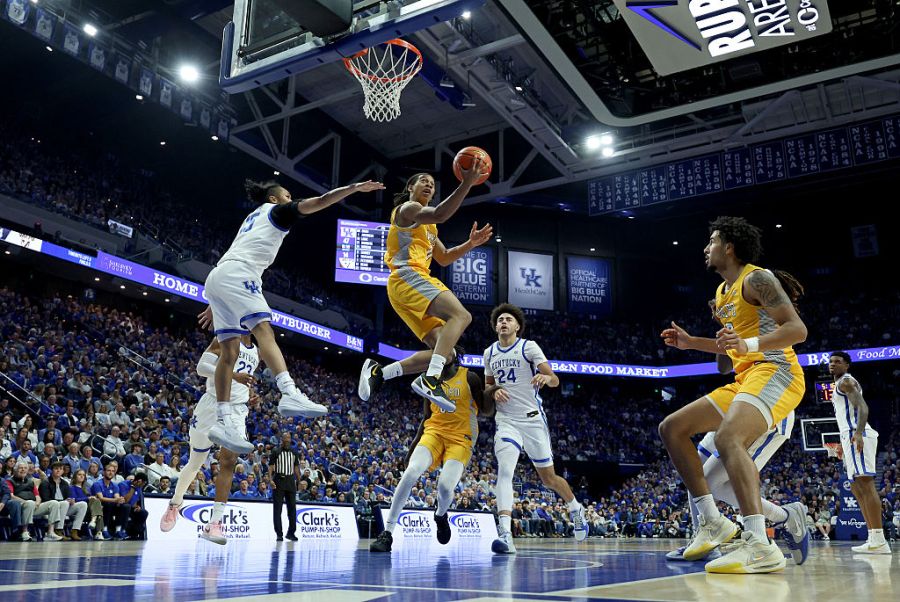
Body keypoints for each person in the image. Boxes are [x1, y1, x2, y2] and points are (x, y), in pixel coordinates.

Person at [659, 216, 808, 574]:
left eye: (711, 241)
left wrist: (747, 343)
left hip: (777, 372)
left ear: (729, 247)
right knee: (672, 427)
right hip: (745, 378)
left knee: (728, 438)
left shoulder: (757, 277)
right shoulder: (722, 294)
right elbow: (727, 360)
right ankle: (713, 522)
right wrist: (693, 343)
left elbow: (797, 330)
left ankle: (760, 544)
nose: (705, 248)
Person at [201, 177, 383, 452]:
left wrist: (215, 299)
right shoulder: (276, 210)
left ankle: (223, 420)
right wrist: (353, 188)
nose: (291, 199)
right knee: (264, 331)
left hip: (219, 276)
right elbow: (321, 202)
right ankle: (289, 392)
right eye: (287, 195)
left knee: (229, 354)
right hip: (241, 274)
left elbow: (232, 255)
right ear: (274, 199)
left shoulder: (252, 217)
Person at [666, 301, 808, 563]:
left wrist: (736, 331)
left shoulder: (757, 312)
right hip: (741, 396)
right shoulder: (731, 323)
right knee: (695, 468)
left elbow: (788, 334)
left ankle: (783, 518)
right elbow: (723, 367)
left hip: (769, 400)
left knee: (711, 484)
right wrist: (722, 330)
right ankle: (706, 538)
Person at [358, 167, 491, 411]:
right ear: (410, 188)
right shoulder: (408, 209)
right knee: (461, 315)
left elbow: (445, 257)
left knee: (447, 353)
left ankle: (380, 373)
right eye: (423, 181)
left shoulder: (429, 228)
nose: (429, 185)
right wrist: (468, 183)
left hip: (404, 288)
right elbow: (440, 214)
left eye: (432, 184)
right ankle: (431, 379)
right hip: (408, 276)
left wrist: (470, 244)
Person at [484, 304, 587, 554]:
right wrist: (494, 390)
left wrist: (545, 378)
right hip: (506, 421)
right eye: (500, 320)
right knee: (505, 472)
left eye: (508, 319)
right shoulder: (489, 353)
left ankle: (575, 508)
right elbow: (486, 387)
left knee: (548, 478)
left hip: (532, 420)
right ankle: (506, 534)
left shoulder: (528, 346)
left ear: (517, 326)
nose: (504, 322)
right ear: (496, 326)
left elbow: (555, 379)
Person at [370, 348, 495, 552]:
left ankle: (440, 515)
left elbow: (487, 411)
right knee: (411, 472)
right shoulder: (428, 379)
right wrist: (410, 451)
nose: (443, 352)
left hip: (461, 438)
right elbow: (426, 417)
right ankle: (387, 533)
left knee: (445, 487)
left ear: (455, 355)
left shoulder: (470, 377)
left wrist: (491, 391)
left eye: (448, 349)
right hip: (434, 433)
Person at [160, 334, 260, 545]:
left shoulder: (256, 352)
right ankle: (175, 503)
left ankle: (214, 523)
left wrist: (249, 393)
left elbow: (245, 379)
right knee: (195, 462)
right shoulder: (224, 337)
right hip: (211, 405)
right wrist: (233, 376)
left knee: (229, 462)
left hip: (236, 410)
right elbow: (202, 368)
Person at [827, 351, 891, 554]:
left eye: (838, 362)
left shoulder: (846, 381)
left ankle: (879, 539)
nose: (833, 365)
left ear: (847, 366)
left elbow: (863, 408)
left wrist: (859, 433)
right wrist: (843, 445)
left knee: (865, 483)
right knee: (856, 487)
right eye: (831, 362)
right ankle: (873, 538)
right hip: (849, 436)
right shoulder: (839, 384)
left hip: (857, 433)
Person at [38, 461, 88, 541]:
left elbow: (68, 496)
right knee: (64, 503)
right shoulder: (46, 483)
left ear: (63, 471)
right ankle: (58, 530)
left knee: (83, 504)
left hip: (64, 507)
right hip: (51, 508)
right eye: (56, 469)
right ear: (52, 470)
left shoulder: (64, 483)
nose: (58, 470)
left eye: (60, 469)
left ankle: (75, 530)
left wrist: (71, 500)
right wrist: (65, 501)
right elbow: (46, 499)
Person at [268, 432, 301, 541]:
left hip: (291, 480)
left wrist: (299, 480)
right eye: (285, 438)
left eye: (289, 438)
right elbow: (271, 466)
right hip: (279, 480)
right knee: (277, 509)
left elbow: (296, 467)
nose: (287, 440)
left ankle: (291, 533)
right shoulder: (276, 451)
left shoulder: (294, 452)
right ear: (282, 439)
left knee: (292, 508)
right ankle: (279, 534)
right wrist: (270, 479)